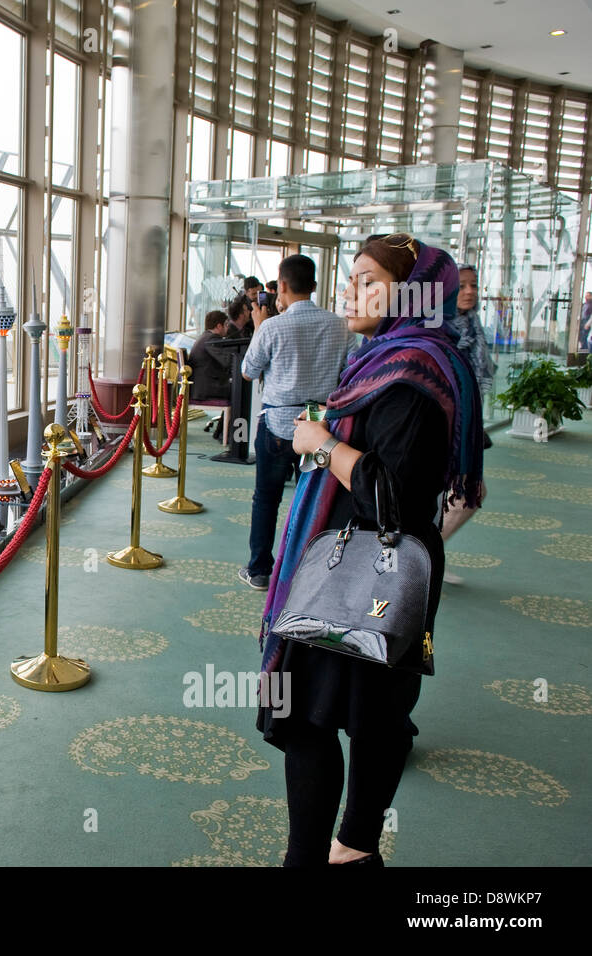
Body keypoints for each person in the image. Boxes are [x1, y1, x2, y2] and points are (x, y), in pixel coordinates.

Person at [257, 233, 484, 866]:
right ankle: (352, 851)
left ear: (412, 293)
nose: (350, 292)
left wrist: (318, 443)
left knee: (314, 720)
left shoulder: (411, 373)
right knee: (373, 718)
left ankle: (332, 854)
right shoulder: (395, 357)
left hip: (367, 572)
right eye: (350, 278)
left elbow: (392, 497)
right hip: (369, 568)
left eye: (367, 280)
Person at [237, 255, 350, 590]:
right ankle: (311, 571)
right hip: (317, 420)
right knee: (314, 498)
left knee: (266, 498)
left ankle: (259, 570)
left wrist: (260, 327)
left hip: (277, 419)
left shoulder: (272, 326)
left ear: (281, 286)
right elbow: (349, 374)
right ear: (314, 286)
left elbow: (248, 371)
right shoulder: (339, 325)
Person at [440, 264, 493, 584]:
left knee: (465, 493)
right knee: (469, 492)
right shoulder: (441, 329)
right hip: (446, 426)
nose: (470, 291)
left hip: (467, 424)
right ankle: (424, 554)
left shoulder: (473, 326)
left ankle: (426, 553)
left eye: (474, 285)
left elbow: (482, 373)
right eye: (463, 286)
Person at [189, 310, 233, 403]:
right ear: (219, 326)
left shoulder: (205, 337)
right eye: (226, 324)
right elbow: (227, 361)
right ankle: (235, 417)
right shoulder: (211, 339)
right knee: (238, 389)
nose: (228, 328)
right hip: (207, 389)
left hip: (201, 388)